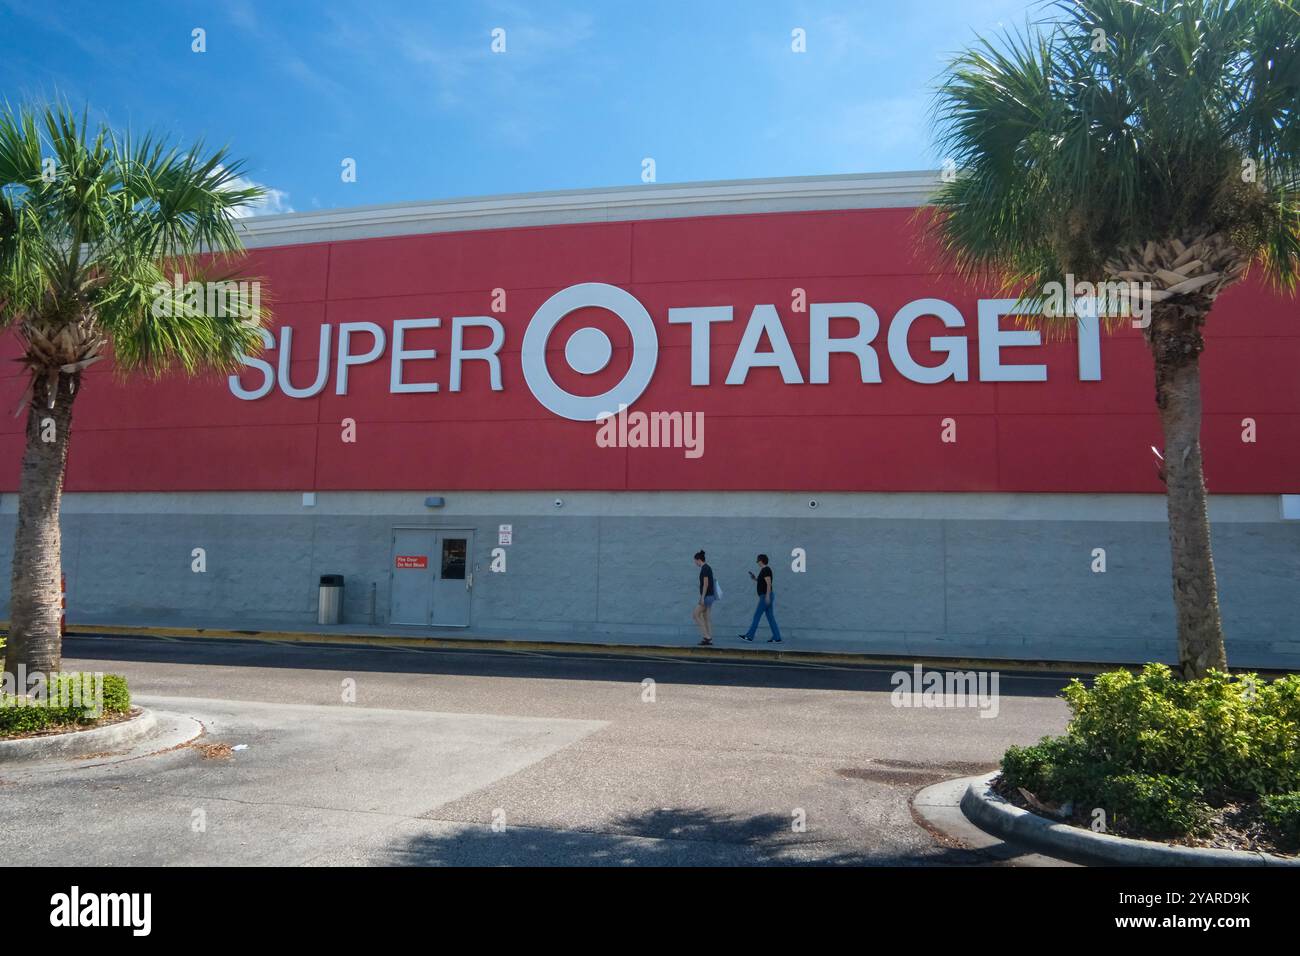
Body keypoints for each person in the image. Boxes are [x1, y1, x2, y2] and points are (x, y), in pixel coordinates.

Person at [739, 553, 782, 643]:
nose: (757, 562)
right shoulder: (764, 570)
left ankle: (749, 636)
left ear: (761, 561)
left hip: (765, 596)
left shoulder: (766, 569)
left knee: (757, 616)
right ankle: (777, 637)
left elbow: (769, 583)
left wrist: (767, 596)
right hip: (767, 595)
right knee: (770, 617)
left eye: (758, 561)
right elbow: (762, 582)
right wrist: (754, 578)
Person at [692, 550, 716, 645]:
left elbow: (705, 584)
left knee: (695, 615)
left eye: (695, 561)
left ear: (699, 560)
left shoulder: (705, 568)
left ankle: (707, 636)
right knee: (706, 617)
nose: (695, 563)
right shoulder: (708, 568)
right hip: (710, 596)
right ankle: (709, 637)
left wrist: (702, 597)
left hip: (706, 597)